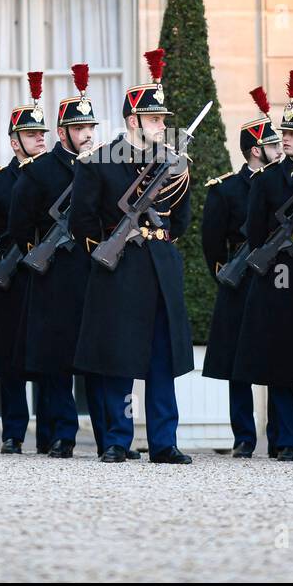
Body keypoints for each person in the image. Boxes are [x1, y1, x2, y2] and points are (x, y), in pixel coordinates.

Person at [71, 49, 194, 464]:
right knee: (117, 360)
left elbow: (182, 219)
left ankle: (164, 441)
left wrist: (153, 238)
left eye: (163, 119)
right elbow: (82, 223)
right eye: (154, 119)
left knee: (162, 360)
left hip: (158, 265)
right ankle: (117, 441)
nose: (162, 125)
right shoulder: (98, 164)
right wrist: (114, 247)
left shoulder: (175, 165)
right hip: (120, 268)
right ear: (132, 121)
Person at [7, 64, 114, 458]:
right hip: (55, 276)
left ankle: (111, 439)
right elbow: (19, 227)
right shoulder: (39, 173)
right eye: (79, 128)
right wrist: (46, 251)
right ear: (62, 131)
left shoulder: (104, 165)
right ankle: (61, 436)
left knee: (100, 360)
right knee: (57, 362)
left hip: (94, 272)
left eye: (91, 127)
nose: (87, 135)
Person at [232, 71, 293, 461]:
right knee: (282, 359)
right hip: (280, 272)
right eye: (283, 132)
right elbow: (253, 231)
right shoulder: (268, 180)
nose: (285, 138)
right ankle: (286, 440)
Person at [0, 71, 50, 454]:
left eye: (43, 134)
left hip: (50, 278)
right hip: (13, 280)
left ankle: (53, 434)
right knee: (11, 361)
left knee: (50, 357)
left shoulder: (59, 177)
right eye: (32, 134)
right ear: (14, 141)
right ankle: (13, 433)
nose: (40, 139)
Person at [201, 85, 280, 458]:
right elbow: (212, 243)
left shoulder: (285, 186)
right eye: (274, 146)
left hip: (276, 278)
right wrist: (227, 271)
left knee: (279, 360)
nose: (281, 152)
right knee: (238, 367)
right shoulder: (226, 190)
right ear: (255, 151)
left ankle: (282, 438)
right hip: (241, 278)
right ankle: (244, 437)